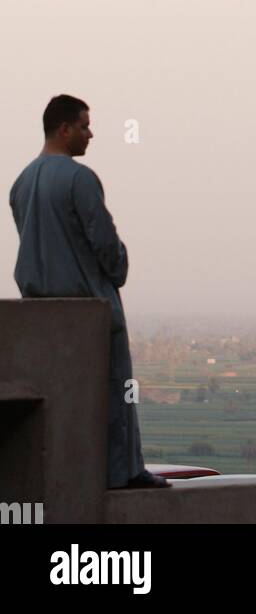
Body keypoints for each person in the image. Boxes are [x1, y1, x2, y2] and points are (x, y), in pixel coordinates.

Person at [9, 94, 170, 489]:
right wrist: (119, 268)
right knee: (116, 391)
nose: (90, 133)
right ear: (64, 129)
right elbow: (106, 246)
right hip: (90, 309)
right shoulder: (79, 179)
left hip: (40, 314)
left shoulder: (21, 183)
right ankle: (123, 472)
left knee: (59, 405)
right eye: (84, 125)